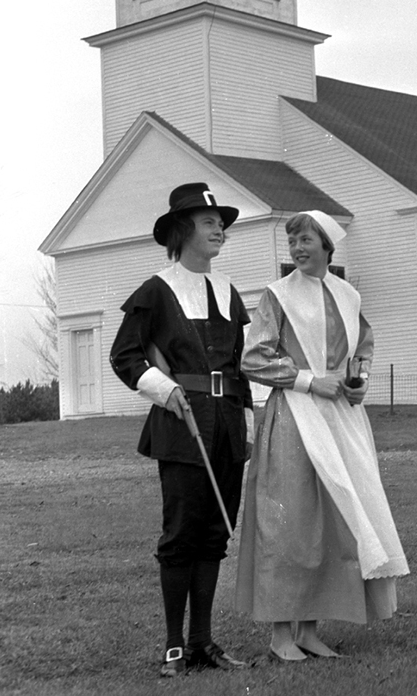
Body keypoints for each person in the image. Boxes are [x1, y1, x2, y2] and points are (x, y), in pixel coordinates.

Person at [235, 210, 409, 661]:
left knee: (335, 519)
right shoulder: (278, 296)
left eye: (306, 239)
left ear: (327, 245)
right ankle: (279, 635)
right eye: (292, 241)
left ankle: (309, 630)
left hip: (341, 418)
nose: (297, 248)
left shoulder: (347, 294)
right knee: (291, 522)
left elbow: (362, 346)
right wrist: (310, 381)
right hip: (294, 416)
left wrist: (358, 378)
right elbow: (253, 358)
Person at [109, 183, 253, 678]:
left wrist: (247, 419)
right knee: (181, 536)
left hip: (228, 427)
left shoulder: (230, 290)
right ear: (181, 229)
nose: (220, 230)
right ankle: (174, 647)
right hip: (180, 425)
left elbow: (238, 363)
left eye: (222, 224)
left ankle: (202, 643)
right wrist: (162, 390)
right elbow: (125, 355)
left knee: (215, 535)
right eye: (210, 222)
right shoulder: (156, 290)